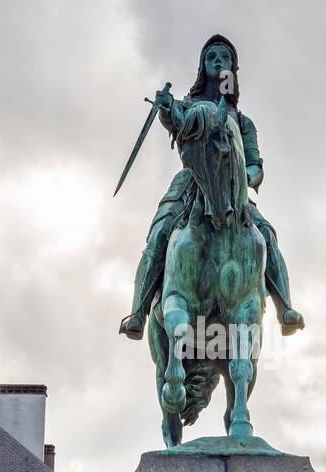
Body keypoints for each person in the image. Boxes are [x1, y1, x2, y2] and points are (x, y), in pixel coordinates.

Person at [119, 34, 305, 339]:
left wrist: (244, 179)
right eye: (211, 57)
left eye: (224, 57)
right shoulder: (188, 106)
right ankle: (138, 310)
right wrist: (166, 108)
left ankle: (285, 307)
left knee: (267, 235)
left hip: (231, 190)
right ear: (202, 66)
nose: (218, 62)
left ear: (233, 68)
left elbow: (256, 164)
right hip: (189, 185)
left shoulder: (243, 122)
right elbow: (176, 122)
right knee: (159, 234)